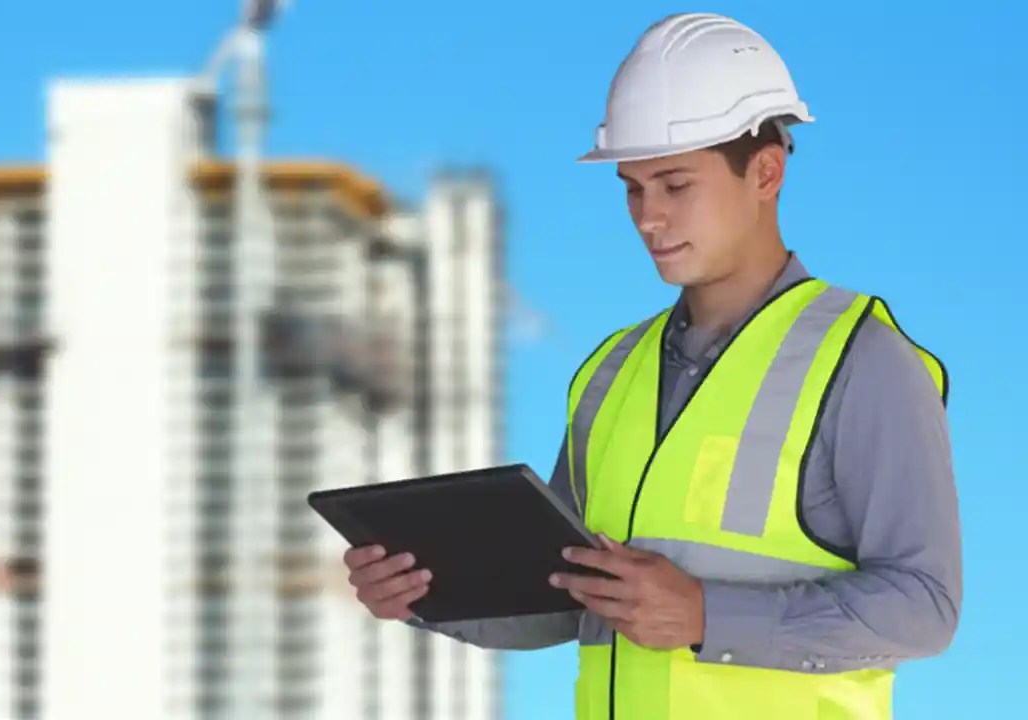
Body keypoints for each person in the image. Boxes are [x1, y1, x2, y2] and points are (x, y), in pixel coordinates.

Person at [340, 11, 961, 720]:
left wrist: (705, 616)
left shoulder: (864, 362)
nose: (648, 218)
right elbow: (563, 596)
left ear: (766, 171)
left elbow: (926, 607)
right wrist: (428, 593)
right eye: (633, 188)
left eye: (675, 185)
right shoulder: (612, 371)